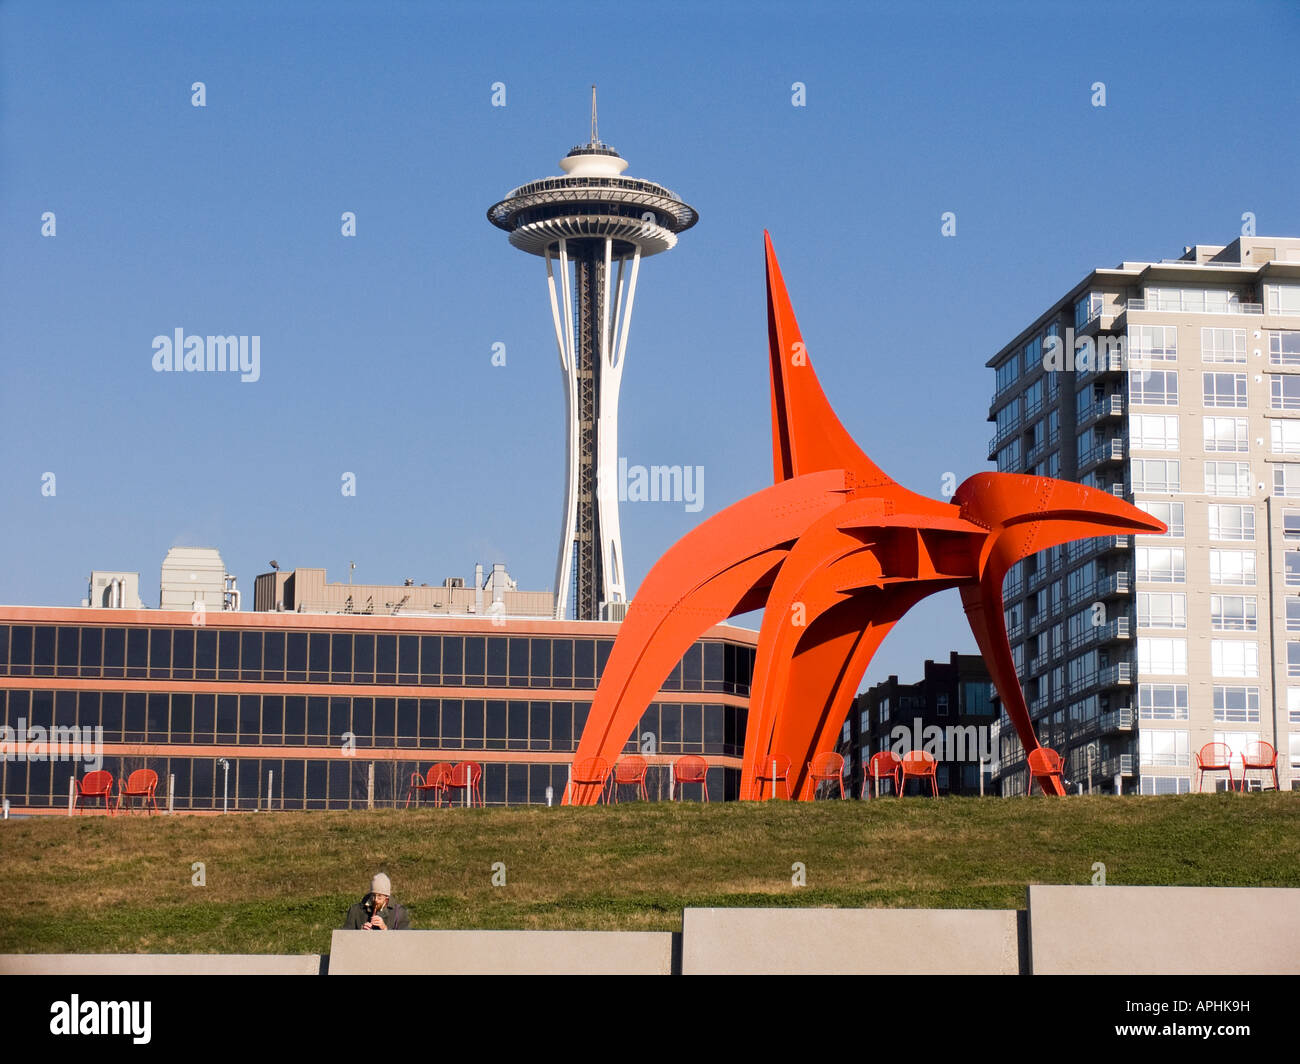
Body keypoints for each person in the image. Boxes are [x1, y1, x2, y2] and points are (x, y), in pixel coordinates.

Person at [342, 872, 411, 930]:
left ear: (386, 897)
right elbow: (345, 937)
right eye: (373, 895)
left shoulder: (399, 912)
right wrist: (360, 932)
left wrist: (385, 928)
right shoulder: (355, 910)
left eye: (379, 896)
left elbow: (403, 940)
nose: (375, 900)